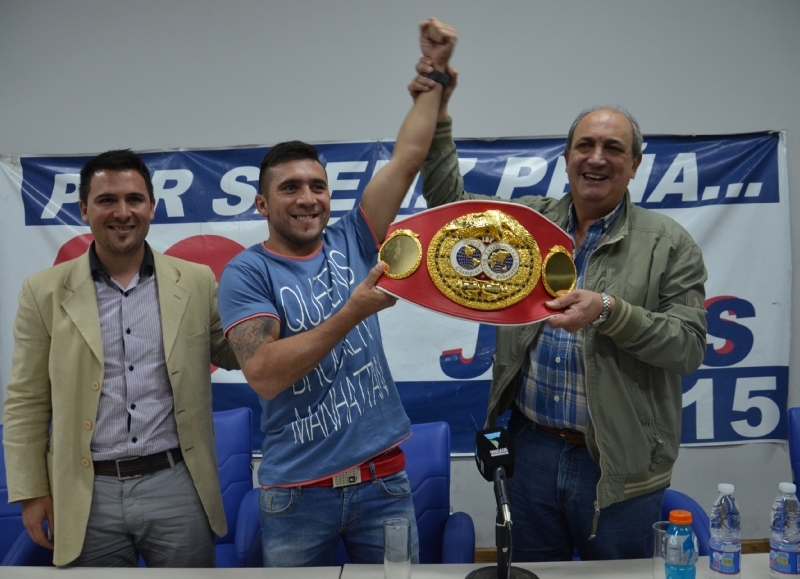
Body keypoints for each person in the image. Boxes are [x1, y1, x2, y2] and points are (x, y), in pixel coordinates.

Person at [411, 62, 708, 561]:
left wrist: (609, 311)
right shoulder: (526, 226)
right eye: (585, 146)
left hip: (619, 462)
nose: (597, 158)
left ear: (635, 164)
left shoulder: (669, 244)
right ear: (567, 157)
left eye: (613, 148)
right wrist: (438, 111)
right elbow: (450, 208)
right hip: (531, 452)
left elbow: (688, 347)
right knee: (535, 573)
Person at [216, 18, 456, 567]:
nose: (307, 199)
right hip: (296, 495)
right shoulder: (247, 273)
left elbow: (408, 158)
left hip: (384, 484)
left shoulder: (355, 236)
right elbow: (265, 372)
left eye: (317, 186)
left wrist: (436, 72)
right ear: (262, 203)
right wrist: (350, 313)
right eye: (290, 188)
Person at [3, 149, 240, 567]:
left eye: (134, 199)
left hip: (177, 483)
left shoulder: (197, 281)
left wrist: (275, 307)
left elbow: (236, 352)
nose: (122, 212)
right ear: (83, 209)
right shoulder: (43, 292)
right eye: (107, 200)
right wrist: (31, 492)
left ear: (151, 206)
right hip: (85, 491)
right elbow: (26, 400)